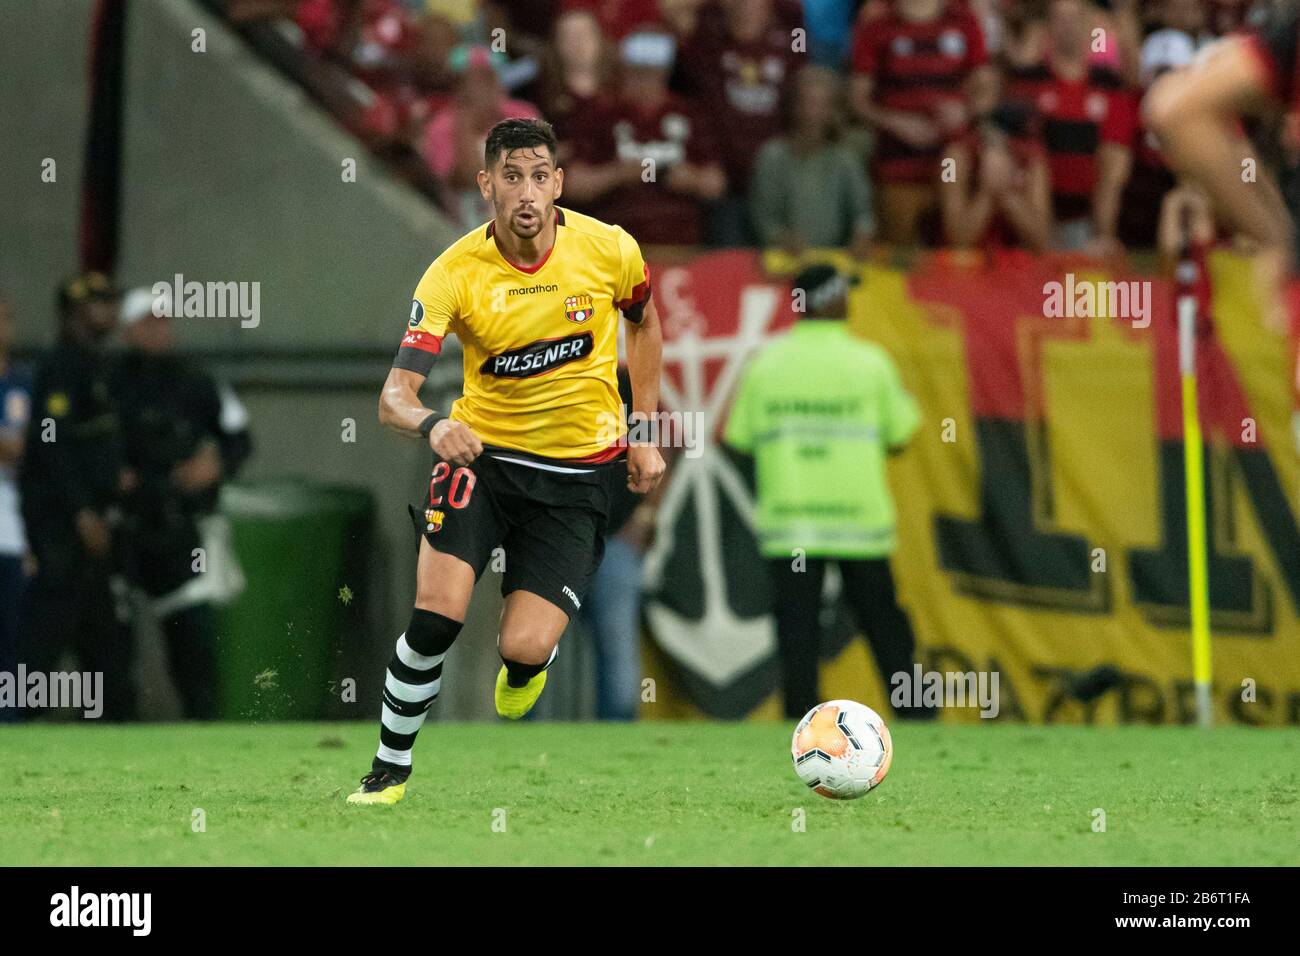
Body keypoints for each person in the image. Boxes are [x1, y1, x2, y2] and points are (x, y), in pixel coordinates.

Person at [348, 117, 665, 805]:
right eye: (511, 177)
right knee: (436, 614)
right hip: (481, 461)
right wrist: (433, 426)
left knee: (522, 646)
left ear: (559, 182)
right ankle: (387, 771)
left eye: (540, 176)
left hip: (579, 477)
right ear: (485, 182)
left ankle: (524, 668)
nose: (527, 192)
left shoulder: (611, 251)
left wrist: (642, 427)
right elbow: (392, 398)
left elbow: (643, 321)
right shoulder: (453, 273)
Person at [723, 265, 931, 721]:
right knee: (886, 629)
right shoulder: (869, 362)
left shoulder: (767, 364)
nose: (848, 300)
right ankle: (919, 720)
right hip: (859, 524)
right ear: (829, 300)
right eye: (842, 292)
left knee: (797, 635)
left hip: (791, 524)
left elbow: (739, 439)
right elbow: (901, 434)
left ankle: (802, 733)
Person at [112, 288, 253, 720]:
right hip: (124, 523)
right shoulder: (108, 381)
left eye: (164, 320)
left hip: (181, 525)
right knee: (112, 639)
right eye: (149, 322)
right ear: (129, 329)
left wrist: (215, 468)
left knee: (191, 634)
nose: (159, 330)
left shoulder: (197, 381)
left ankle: (202, 724)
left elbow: (239, 436)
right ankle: (115, 727)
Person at [18, 273, 135, 721]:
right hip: (61, 519)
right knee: (52, 614)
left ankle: (108, 718)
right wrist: (82, 511)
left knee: (99, 623)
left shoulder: (99, 365)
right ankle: (20, 717)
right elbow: (52, 445)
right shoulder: (60, 366)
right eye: (98, 303)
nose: (108, 311)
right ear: (73, 312)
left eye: (111, 302)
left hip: (96, 517)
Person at [849, 0, 996, 245]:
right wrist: (898, 123)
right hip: (898, 164)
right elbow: (857, 101)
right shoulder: (877, 26)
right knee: (901, 262)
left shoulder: (964, 20)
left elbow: (986, 91)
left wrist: (966, 111)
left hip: (952, 162)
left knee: (957, 257)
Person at [562, 28, 726, 246]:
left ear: (665, 74)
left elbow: (717, 184)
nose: (642, 80)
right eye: (636, 72)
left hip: (680, 243)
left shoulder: (688, 113)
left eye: (651, 73)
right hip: (614, 243)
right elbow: (573, 185)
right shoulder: (601, 114)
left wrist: (690, 179)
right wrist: (617, 174)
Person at [1003, 0, 1139, 253]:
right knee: (1030, 158)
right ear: (1049, 27)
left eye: (1076, 18)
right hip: (1038, 206)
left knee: (1116, 158)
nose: (1069, 26)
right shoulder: (1028, 81)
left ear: (1089, 25)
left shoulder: (1108, 84)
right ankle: (1044, 248)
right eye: (1060, 18)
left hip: (1086, 207)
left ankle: (1102, 241)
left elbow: (1115, 148)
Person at [749, 64, 876, 255]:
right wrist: (782, 238)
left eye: (823, 104)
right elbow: (763, 220)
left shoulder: (845, 158)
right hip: (784, 258)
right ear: (794, 106)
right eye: (808, 103)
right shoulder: (772, 157)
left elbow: (863, 214)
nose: (814, 113)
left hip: (836, 260)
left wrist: (862, 236)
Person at [0, 295, 33, 722]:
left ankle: (11, 726)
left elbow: (44, 448)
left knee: (14, 637)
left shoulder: (28, 383)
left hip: (14, 529)